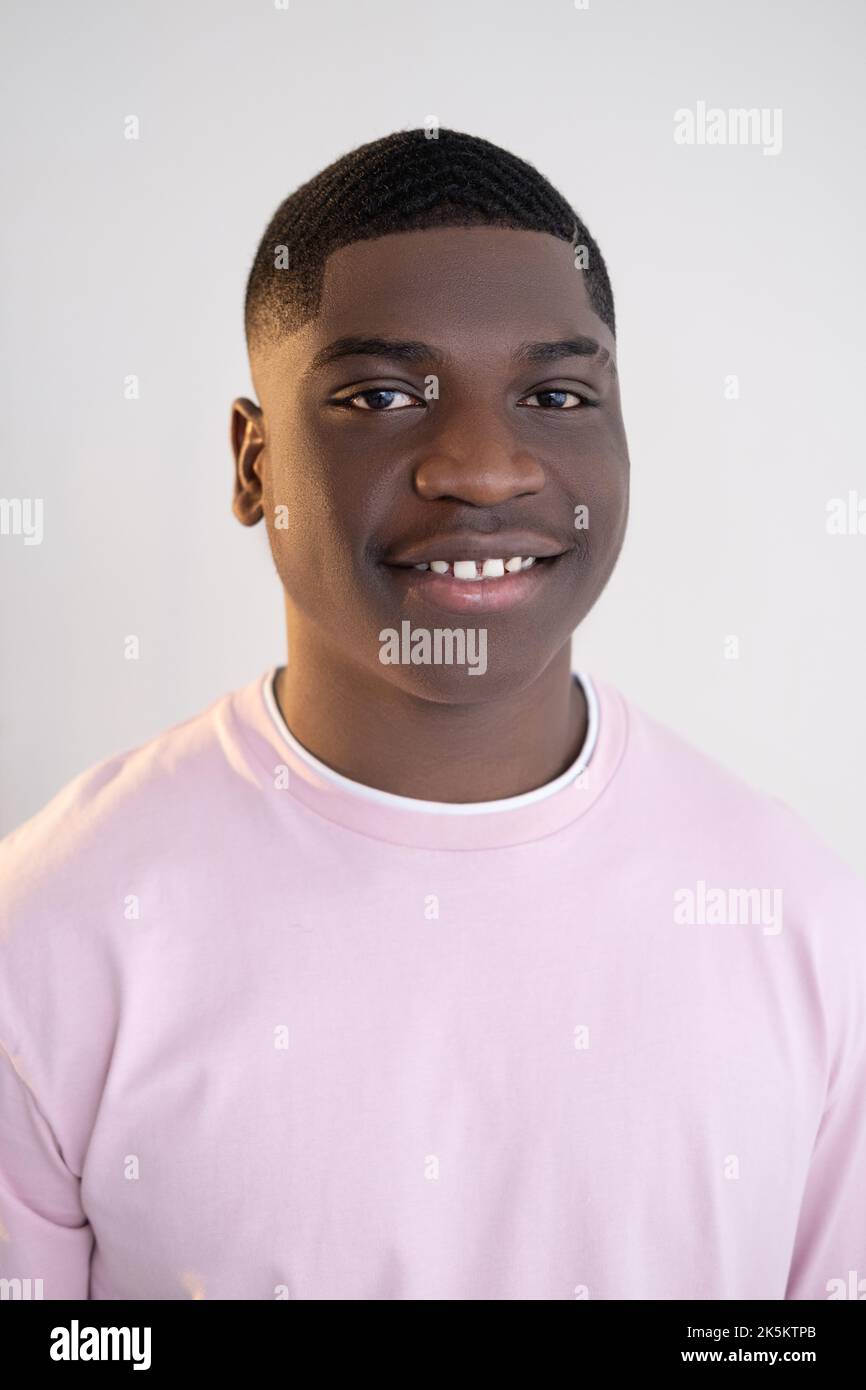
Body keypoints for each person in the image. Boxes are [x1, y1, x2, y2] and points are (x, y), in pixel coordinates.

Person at [1, 128, 864, 1302]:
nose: (482, 466)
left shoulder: (800, 919)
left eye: (555, 395)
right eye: (380, 395)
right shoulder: (50, 928)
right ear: (254, 465)